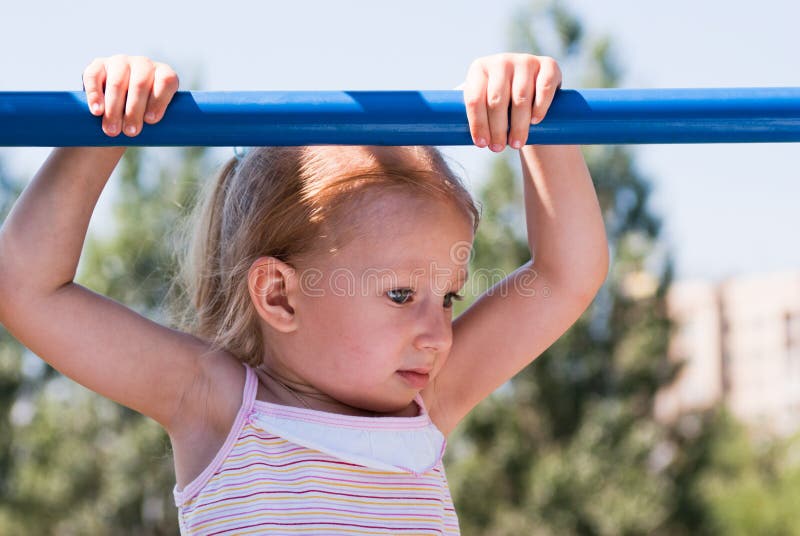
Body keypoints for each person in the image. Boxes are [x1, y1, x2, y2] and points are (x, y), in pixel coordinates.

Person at [0, 53, 608, 534]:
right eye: (400, 296)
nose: (439, 333)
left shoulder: (426, 406)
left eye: (447, 297)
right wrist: (109, 121)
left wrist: (534, 117)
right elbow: (28, 288)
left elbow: (564, 275)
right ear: (280, 297)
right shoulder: (216, 406)